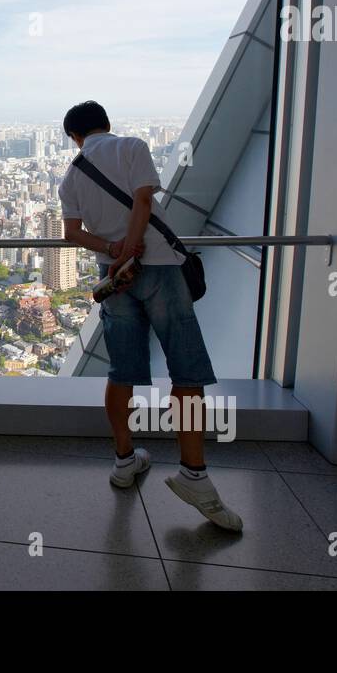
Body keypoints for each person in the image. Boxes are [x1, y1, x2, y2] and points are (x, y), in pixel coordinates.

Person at [57, 100, 243, 532]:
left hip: (115, 277)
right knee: (186, 373)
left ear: (75, 137)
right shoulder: (131, 146)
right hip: (158, 266)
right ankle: (193, 473)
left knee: (121, 371)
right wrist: (135, 245)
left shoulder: (71, 174)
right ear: (106, 124)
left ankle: (124, 460)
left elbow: (71, 232)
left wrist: (114, 252)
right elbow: (143, 200)